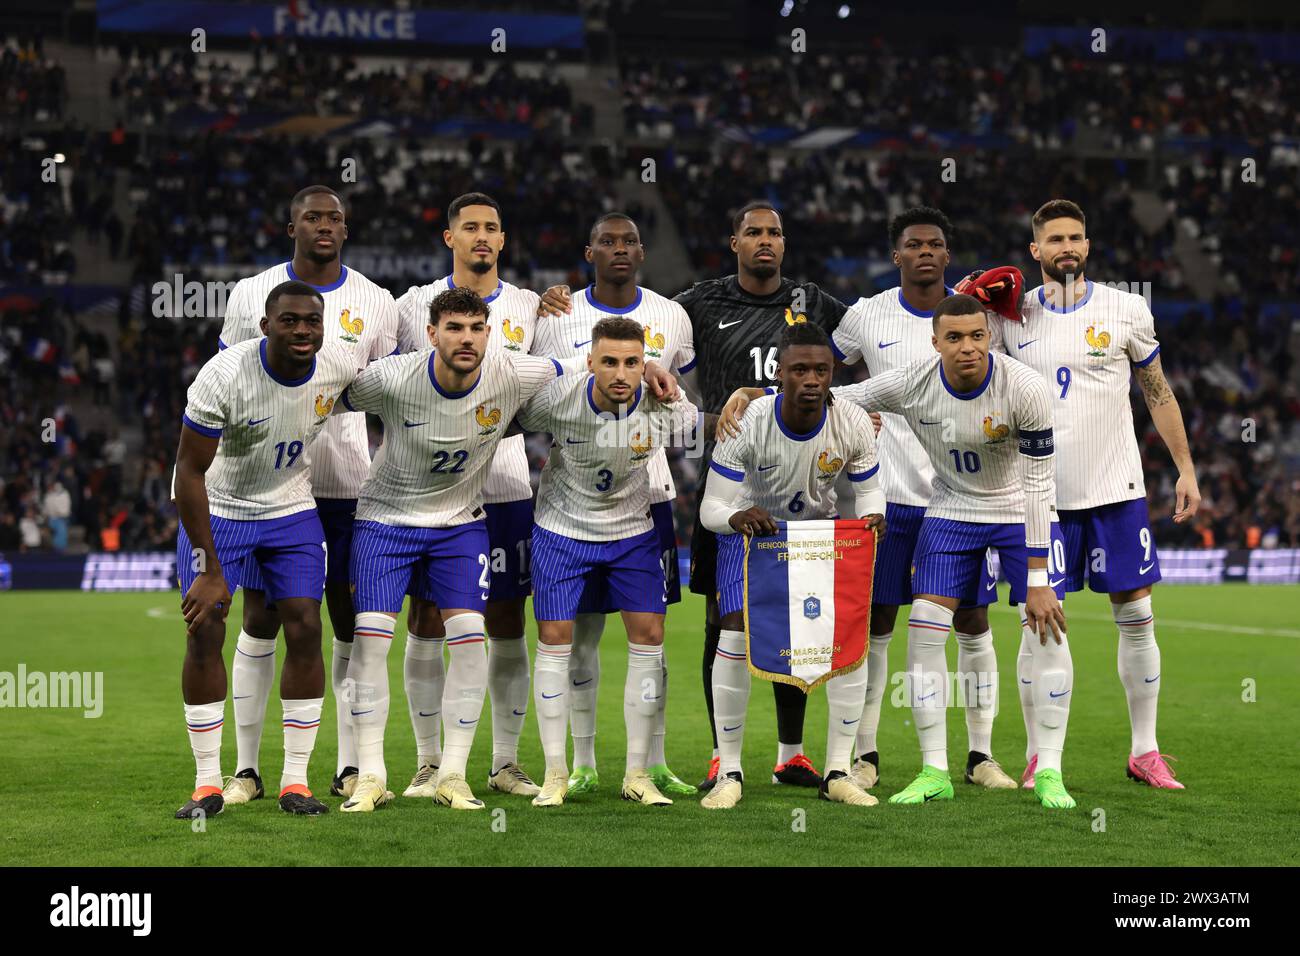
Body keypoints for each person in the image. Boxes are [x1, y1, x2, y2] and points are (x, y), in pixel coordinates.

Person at [724, 293, 1075, 810]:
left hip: (1022, 509)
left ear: (990, 338)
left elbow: (1042, 484)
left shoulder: (1025, 388)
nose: (967, 347)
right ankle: (934, 768)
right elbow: (833, 393)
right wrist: (758, 393)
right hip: (952, 511)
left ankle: (1050, 769)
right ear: (936, 344)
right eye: (954, 338)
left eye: (977, 336)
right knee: (924, 630)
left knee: (1045, 626)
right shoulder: (913, 380)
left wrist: (1040, 579)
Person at [334, 287, 679, 812]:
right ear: (432, 334)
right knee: (371, 645)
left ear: (489, 333)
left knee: (473, 640)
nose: (466, 338)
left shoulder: (514, 371)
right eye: (454, 328)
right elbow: (332, 386)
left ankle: (453, 775)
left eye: (476, 328)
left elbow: (597, 363)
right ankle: (371, 775)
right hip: (386, 520)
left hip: (459, 524)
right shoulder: (394, 376)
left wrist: (649, 363)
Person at [1006, 199, 1200, 789]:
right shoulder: (1010, 317)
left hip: (1116, 488)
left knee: (1138, 616)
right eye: (1055, 239)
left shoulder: (1126, 309)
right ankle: (1041, 753)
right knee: (1037, 622)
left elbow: (1158, 394)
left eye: (1077, 238)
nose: (1068, 247)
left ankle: (1145, 751)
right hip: (1040, 498)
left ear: (1087, 247)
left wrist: (1185, 469)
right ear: (1035, 250)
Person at [216, 184, 399, 806]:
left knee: (344, 622)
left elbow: (389, 392)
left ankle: (349, 766)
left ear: (346, 230)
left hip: (348, 484)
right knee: (262, 619)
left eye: (335, 218)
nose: (325, 225)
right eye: (312, 216)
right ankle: (245, 770)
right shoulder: (249, 294)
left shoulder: (376, 301)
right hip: (268, 488)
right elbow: (232, 381)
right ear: (290, 224)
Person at [830, 206, 1016, 791]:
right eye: (914, 245)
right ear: (897, 255)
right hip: (882, 499)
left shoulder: (977, 315)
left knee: (972, 618)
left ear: (947, 253)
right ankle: (867, 754)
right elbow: (826, 376)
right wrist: (856, 415)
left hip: (957, 501)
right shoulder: (865, 316)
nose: (926, 253)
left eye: (936, 244)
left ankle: (980, 755)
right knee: (876, 624)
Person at [172, 280, 359, 820]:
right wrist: (207, 566)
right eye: (290, 321)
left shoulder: (338, 363)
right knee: (206, 626)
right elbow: (188, 472)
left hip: (291, 510)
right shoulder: (225, 374)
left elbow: (400, 384)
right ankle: (208, 783)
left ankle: (294, 782)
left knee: (305, 623)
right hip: (221, 510)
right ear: (265, 326)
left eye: (312, 321)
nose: (303, 330)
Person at [530, 212, 696, 797]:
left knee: (651, 635)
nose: (619, 250)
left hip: (642, 508)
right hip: (565, 517)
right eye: (608, 241)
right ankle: (572, 766)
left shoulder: (672, 320)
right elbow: (513, 393)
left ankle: (645, 768)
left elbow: (688, 407)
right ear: (589, 251)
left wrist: (673, 386)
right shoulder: (554, 320)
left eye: (629, 241)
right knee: (573, 639)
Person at [698, 322, 885, 809]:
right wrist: (738, 514)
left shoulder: (853, 421)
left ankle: (839, 771)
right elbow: (710, 510)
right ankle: (731, 772)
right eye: (799, 369)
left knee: (845, 640)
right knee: (734, 635)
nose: (811, 379)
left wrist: (872, 515)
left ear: (832, 374)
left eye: (821, 370)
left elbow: (867, 490)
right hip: (750, 538)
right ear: (779, 373)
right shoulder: (747, 420)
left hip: (820, 540)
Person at [394, 192, 543, 800]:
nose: (482, 236)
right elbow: (387, 380)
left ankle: (504, 761)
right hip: (430, 489)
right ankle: (430, 763)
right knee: (427, 618)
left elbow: (552, 384)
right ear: (448, 237)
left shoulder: (534, 306)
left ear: (503, 241)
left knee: (507, 620)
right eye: (470, 227)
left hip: (506, 485)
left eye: (492, 227)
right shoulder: (410, 307)